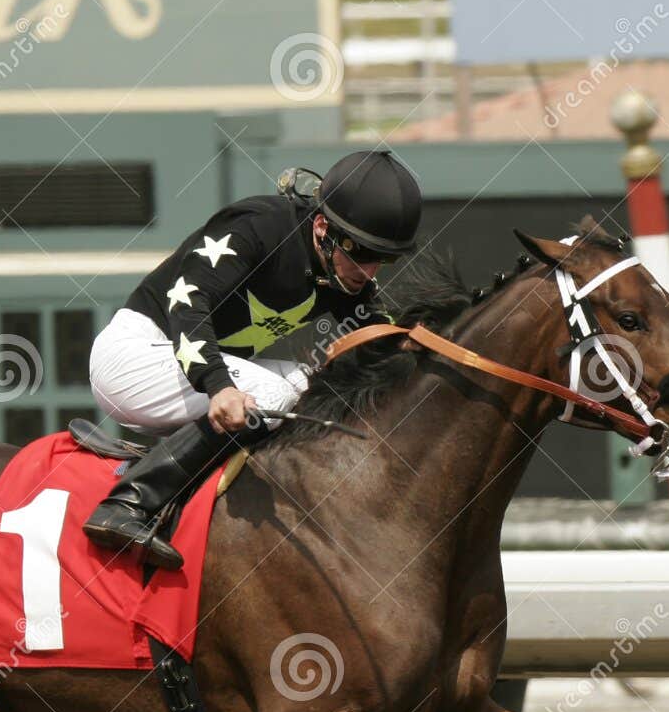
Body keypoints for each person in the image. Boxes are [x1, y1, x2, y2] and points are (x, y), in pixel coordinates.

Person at [84, 149, 422, 569]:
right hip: (131, 358)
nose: (369, 272)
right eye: (361, 255)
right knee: (271, 392)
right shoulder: (258, 227)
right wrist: (219, 385)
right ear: (322, 228)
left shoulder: (341, 274)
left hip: (179, 369)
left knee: (318, 388)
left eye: (382, 260)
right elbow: (186, 305)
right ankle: (127, 504)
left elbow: (380, 339)